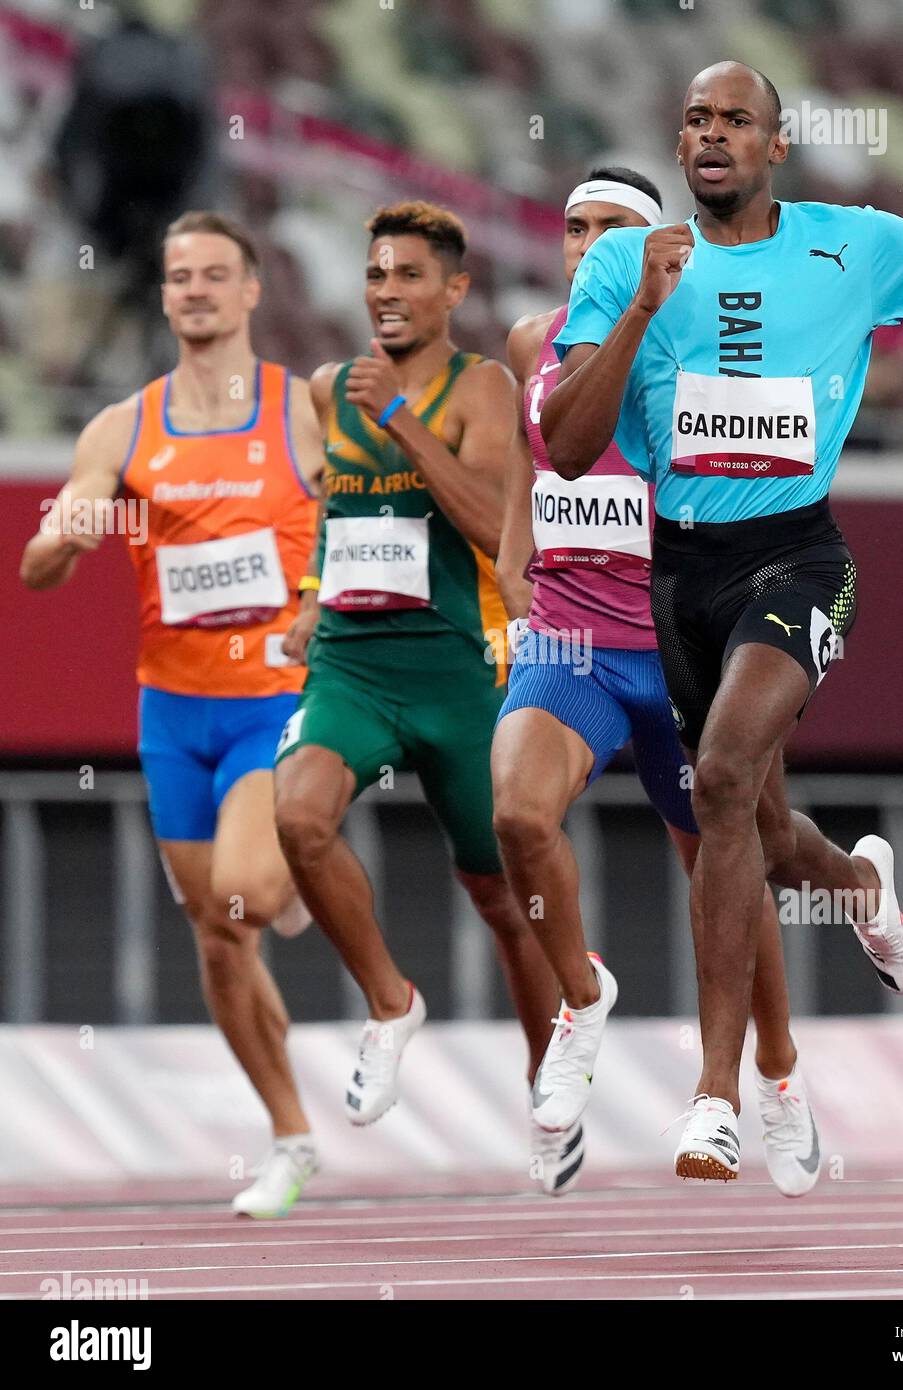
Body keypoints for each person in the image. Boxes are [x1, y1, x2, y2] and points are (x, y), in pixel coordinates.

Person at [541, 62, 903, 1181]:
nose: (712, 134)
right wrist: (647, 308)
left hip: (799, 556)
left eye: (736, 120)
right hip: (680, 571)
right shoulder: (623, 264)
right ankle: (858, 887)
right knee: (754, 825)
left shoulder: (861, 246)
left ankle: (718, 1095)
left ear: (776, 146)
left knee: (715, 783)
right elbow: (565, 444)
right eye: (697, 117)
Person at [493, 168, 819, 1197]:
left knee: (725, 868)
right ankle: (582, 999)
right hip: (571, 641)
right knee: (514, 814)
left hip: (684, 645)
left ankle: (775, 1073)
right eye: (573, 229)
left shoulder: (721, 343)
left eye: (612, 232)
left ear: (665, 249)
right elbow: (531, 474)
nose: (586, 246)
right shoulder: (529, 341)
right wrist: (513, 577)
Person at [21, 211, 325, 1217]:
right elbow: (44, 555)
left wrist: (324, 601)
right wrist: (65, 536)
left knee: (241, 889)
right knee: (218, 932)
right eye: (178, 275)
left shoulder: (298, 412)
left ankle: (288, 867)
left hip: (274, 698)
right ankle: (290, 1134)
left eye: (214, 274)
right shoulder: (123, 426)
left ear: (249, 293)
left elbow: (366, 513)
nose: (194, 288)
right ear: (165, 296)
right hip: (172, 711)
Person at [273, 202, 561, 1174]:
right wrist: (313, 594)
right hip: (354, 663)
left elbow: (492, 526)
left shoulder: (484, 388)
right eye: (376, 275)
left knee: (502, 892)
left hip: (457, 670)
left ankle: (547, 1091)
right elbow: (336, 510)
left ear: (454, 290)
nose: (386, 293)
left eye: (407, 276)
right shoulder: (327, 387)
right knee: (300, 816)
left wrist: (400, 420)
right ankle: (390, 1002)